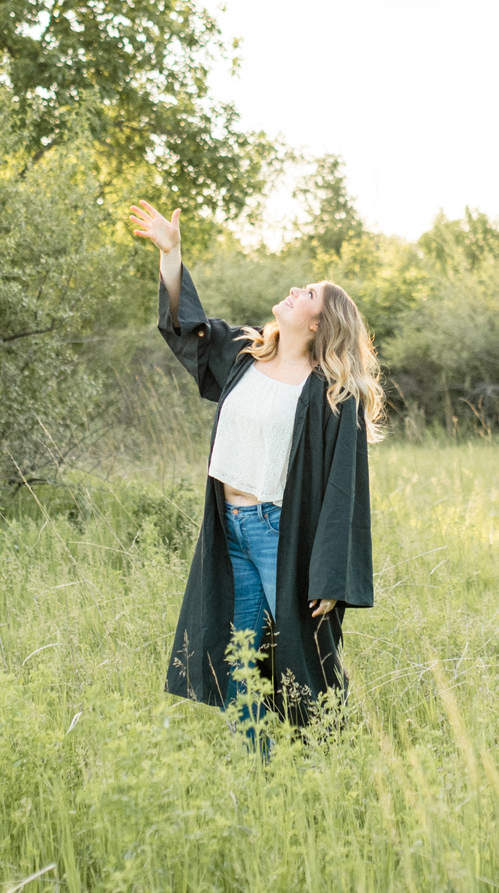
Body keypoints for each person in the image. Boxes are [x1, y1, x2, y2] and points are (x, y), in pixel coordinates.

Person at [129, 199, 384, 742]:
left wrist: (331, 577)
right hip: (229, 527)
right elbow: (187, 329)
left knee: (302, 655)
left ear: (320, 322)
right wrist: (171, 255)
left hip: (278, 532)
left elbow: (346, 493)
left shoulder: (334, 394)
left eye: (308, 293)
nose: (295, 291)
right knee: (239, 656)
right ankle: (262, 768)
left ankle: (326, 760)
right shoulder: (247, 354)